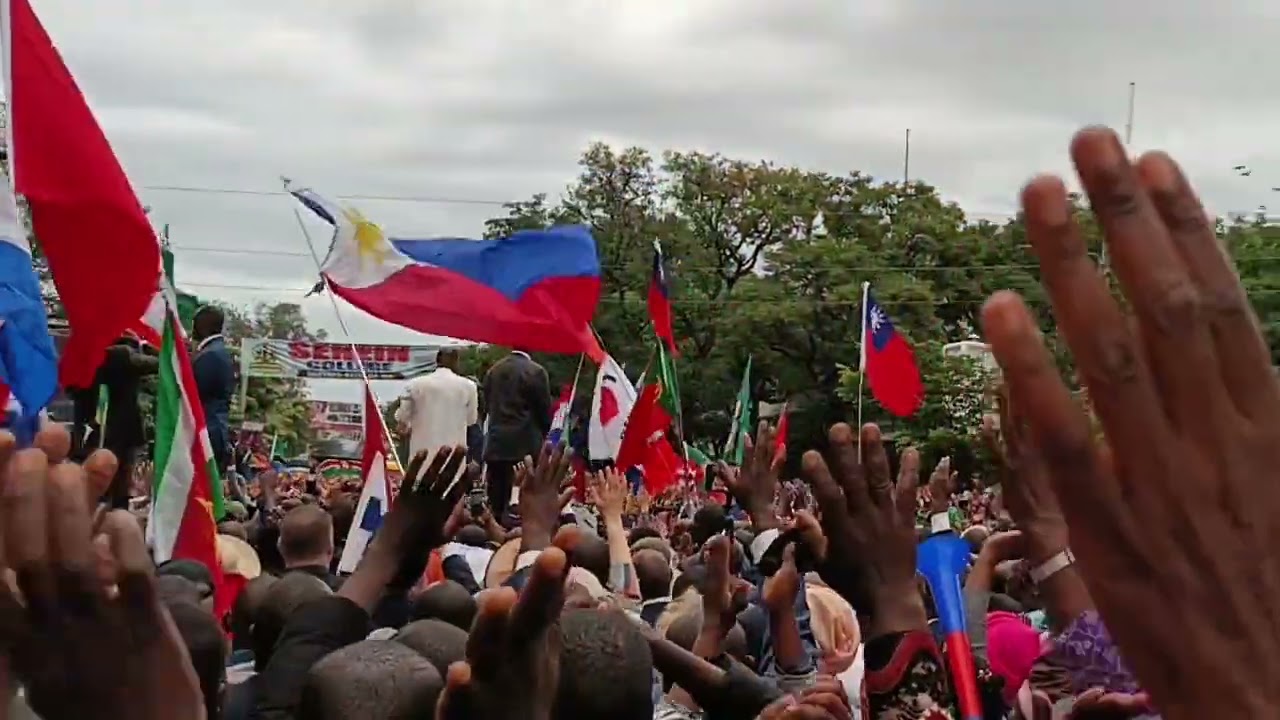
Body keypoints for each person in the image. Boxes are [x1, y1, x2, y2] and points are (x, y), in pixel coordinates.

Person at [69, 334, 158, 508]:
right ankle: (116, 511)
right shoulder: (121, 354)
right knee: (120, 478)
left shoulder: (84, 352)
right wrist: (147, 345)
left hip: (92, 424)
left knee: (92, 473)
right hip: (121, 427)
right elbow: (161, 363)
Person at [481, 348, 551, 519]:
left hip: (497, 444)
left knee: (497, 499)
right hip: (525, 445)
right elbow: (543, 410)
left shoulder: (493, 371)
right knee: (522, 501)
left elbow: (487, 405)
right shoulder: (536, 372)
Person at [394, 347, 478, 465]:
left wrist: (405, 424)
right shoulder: (469, 386)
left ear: (437, 361)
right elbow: (471, 420)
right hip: (453, 454)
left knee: (420, 473)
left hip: (422, 452)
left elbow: (403, 416)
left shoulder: (415, 385)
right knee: (451, 474)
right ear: (456, 361)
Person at [191, 306, 235, 475]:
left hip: (207, 431)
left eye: (194, 323)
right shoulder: (218, 351)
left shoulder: (211, 355)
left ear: (204, 325)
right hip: (215, 429)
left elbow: (195, 393)